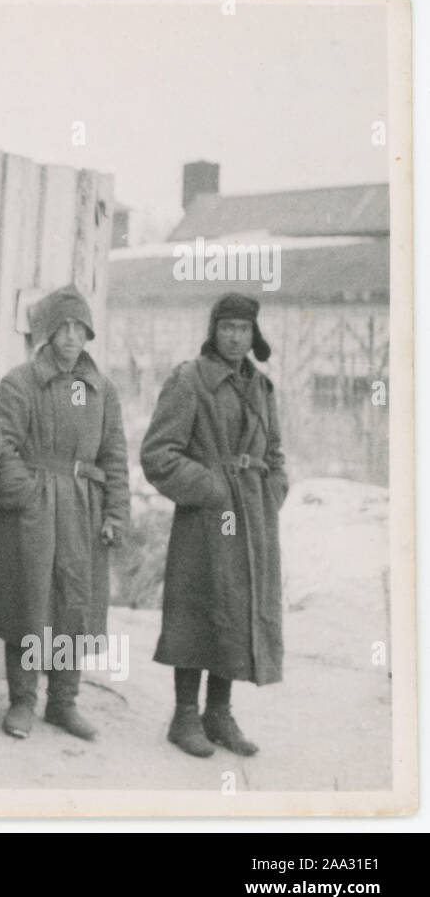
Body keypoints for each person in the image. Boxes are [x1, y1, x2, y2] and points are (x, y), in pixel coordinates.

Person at [140, 293, 287, 758]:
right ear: (213, 330)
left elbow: (276, 455)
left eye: (243, 329)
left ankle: (218, 713)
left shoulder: (262, 388)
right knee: (197, 609)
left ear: (253, 335)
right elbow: (158, 454)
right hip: (206, 520)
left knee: (237, 614)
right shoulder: (189, 380)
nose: (234, 337)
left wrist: (271, 492)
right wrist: (212, 488)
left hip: (251, 522)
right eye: (226, 327)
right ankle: (185, 716)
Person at [0, 285, 129, 741]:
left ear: (88, 333)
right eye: (61, 327)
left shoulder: (101, 390)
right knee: (29, 604)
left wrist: (114, 514)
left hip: (84, 510)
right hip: (33, 508)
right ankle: (22, 702)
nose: (70, 337)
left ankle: (63, 703)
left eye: (78, 328)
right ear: (46, 332)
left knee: (75, 606)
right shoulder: (19, 383)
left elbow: (115, 456)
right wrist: (26, 494)